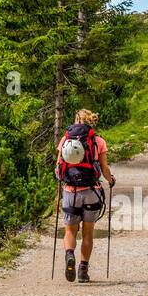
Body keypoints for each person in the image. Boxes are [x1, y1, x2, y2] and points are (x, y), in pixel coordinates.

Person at [56, 109, 115, 283]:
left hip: (70, 192)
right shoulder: (98, 141)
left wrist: (62, 180)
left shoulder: (65, 140)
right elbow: (104, 169)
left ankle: (69, 255)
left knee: (70, 230)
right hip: (91, 191)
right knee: (88, 233)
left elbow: (58, 168)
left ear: (76, 120)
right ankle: (83, 271)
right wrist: (111, 180)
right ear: (90, 121)